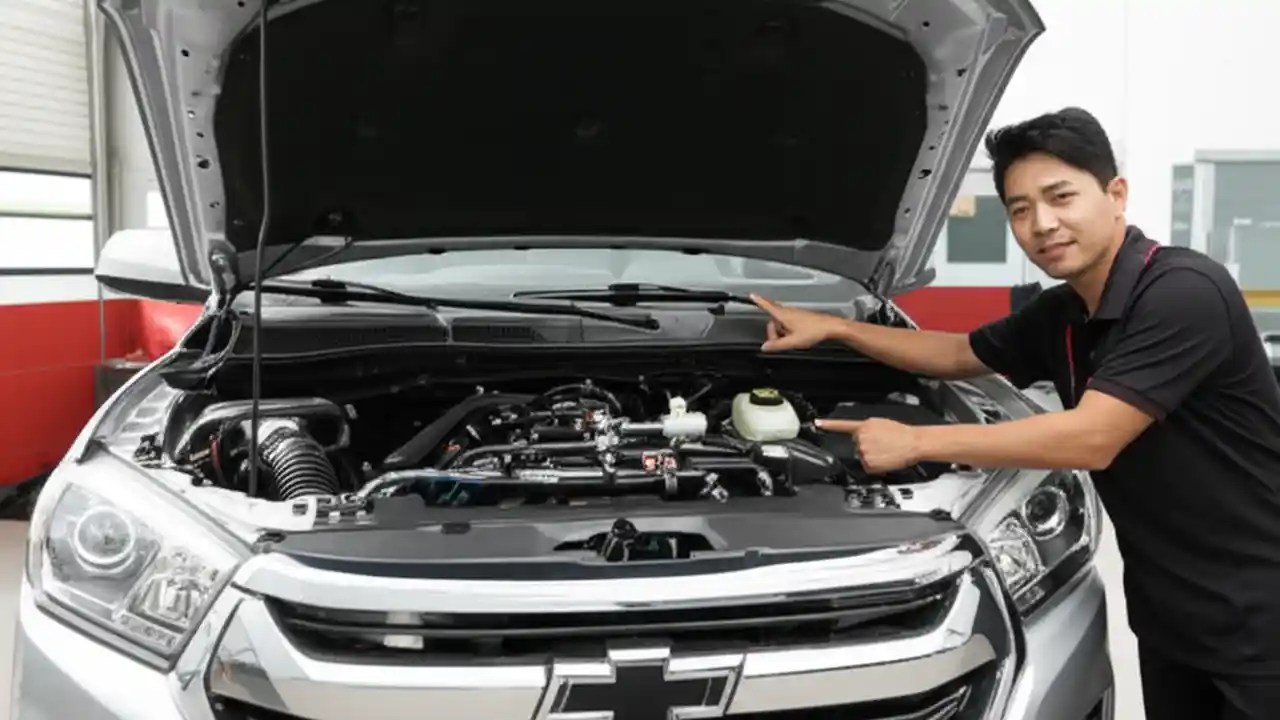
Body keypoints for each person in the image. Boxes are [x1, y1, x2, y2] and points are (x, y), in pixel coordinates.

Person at [750, 107, 1280, 720]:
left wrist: (920, 443)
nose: (1042, 224)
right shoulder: (1065, 312)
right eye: (1020, 209)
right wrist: (836, 328)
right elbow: (955, 353)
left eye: (1060, 197)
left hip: (1260, 618)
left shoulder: (1183, 292)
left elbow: (1092, 439)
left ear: (1116, 194)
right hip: (1174, 617)